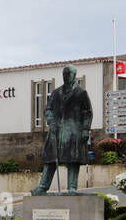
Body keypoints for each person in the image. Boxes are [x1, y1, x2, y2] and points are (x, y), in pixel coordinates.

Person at [31, 65, 94, 195]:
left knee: (73, 161)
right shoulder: (56, 92)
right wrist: (51, 121)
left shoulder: (81, 93)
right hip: (57, 130)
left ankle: (72, 188)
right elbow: (48, 109)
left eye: (68, 74)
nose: (65, 76)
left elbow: (88, 112)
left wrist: (85, 130)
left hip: (74, 131)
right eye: (64, 74)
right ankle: (43, 187)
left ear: (74, 75)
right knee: (50, 159)